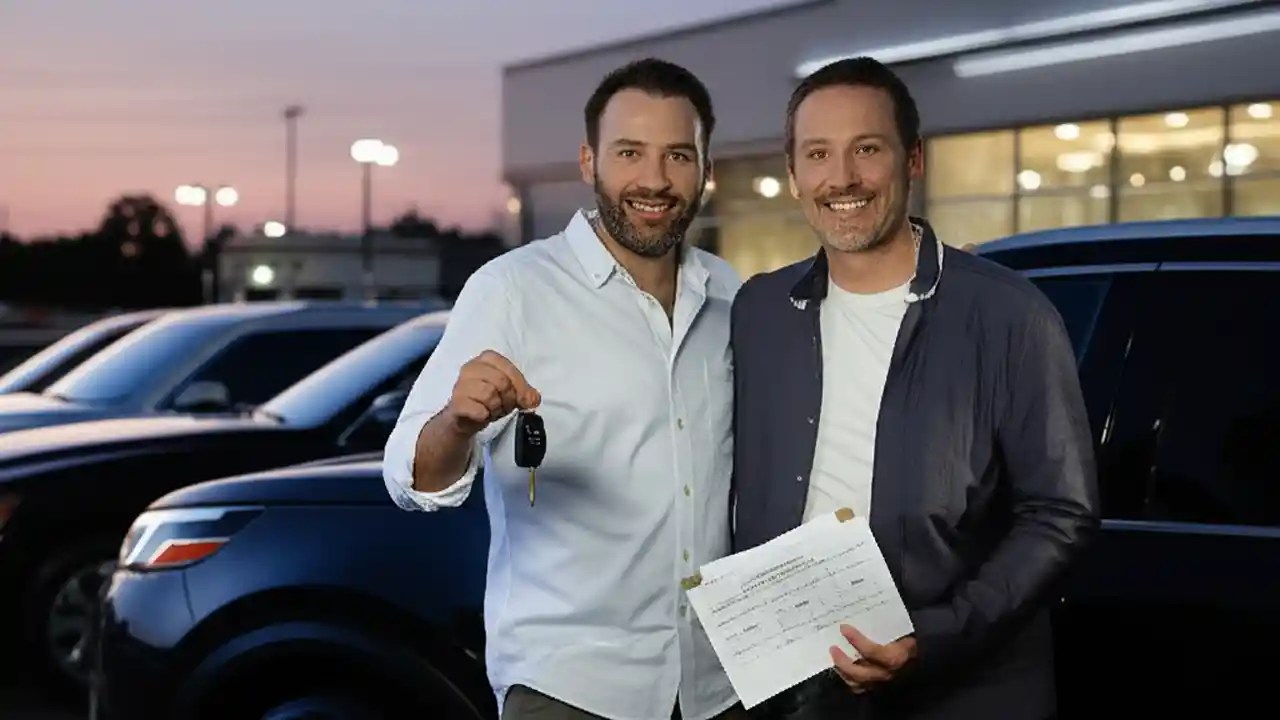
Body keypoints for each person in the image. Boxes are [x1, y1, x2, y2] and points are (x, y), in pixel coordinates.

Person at [728, 57, 1099, 720]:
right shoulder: (758, 311)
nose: (842, 178)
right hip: (799, 691)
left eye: (867, 149)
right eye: (818, 154)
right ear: (792, 175)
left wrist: (936, 635)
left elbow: (1060, 515)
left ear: (913, 160)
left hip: (967, 693)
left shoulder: (1009, 315)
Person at [382, 57, 744, 720]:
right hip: (571, 689)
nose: (655, 180)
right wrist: (456, 425)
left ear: (706, 167)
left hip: (719, 687)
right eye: (630, 152)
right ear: (589, 162)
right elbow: (413, 482)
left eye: (678, 155)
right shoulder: (513, 290)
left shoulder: (729, 291)